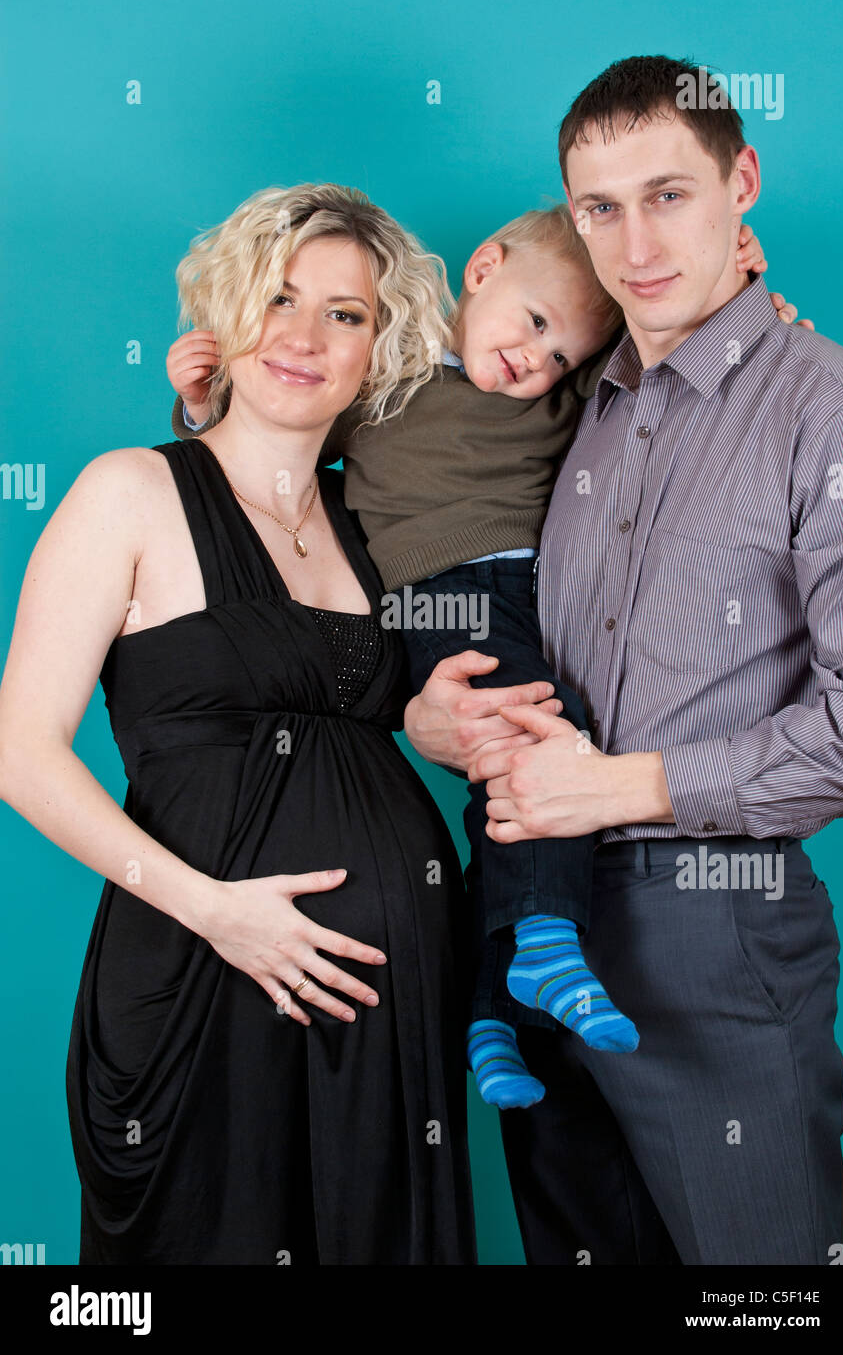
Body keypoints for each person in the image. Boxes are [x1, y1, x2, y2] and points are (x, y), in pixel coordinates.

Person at [170, 203, 802, 1112]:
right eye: (534, 325)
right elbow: (275, 432)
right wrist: (201, 403)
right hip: (440, 598)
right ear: (483, 268)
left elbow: (676, 365)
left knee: (506, 781)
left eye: (560, 356)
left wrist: (743, 295)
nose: (534, 361)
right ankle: (544, 940)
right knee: (548, 741)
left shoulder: (560, 401)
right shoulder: (385, 385)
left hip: (533, 599)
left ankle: (489, 1008)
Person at [404, 55, 843, 1265]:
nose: (635, 241)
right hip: (529, 914)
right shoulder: (564, 403)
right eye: (600, 208)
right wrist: (433, 718)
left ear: (743, 184)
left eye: (669, 194)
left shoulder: (832, 412)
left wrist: (626, 786)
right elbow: (428, 553)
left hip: (713, 930)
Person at [0, 182, 493, 1264]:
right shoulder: (128, 491)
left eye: (345, 313)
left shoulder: (372, 520)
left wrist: (433, 717)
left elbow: (538, 390)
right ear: (223, 316)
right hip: (204, 981)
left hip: (387, 1012)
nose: (304, 337)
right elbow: (22, 756)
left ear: (382, 342)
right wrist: (217, 912)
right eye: (276, 298)